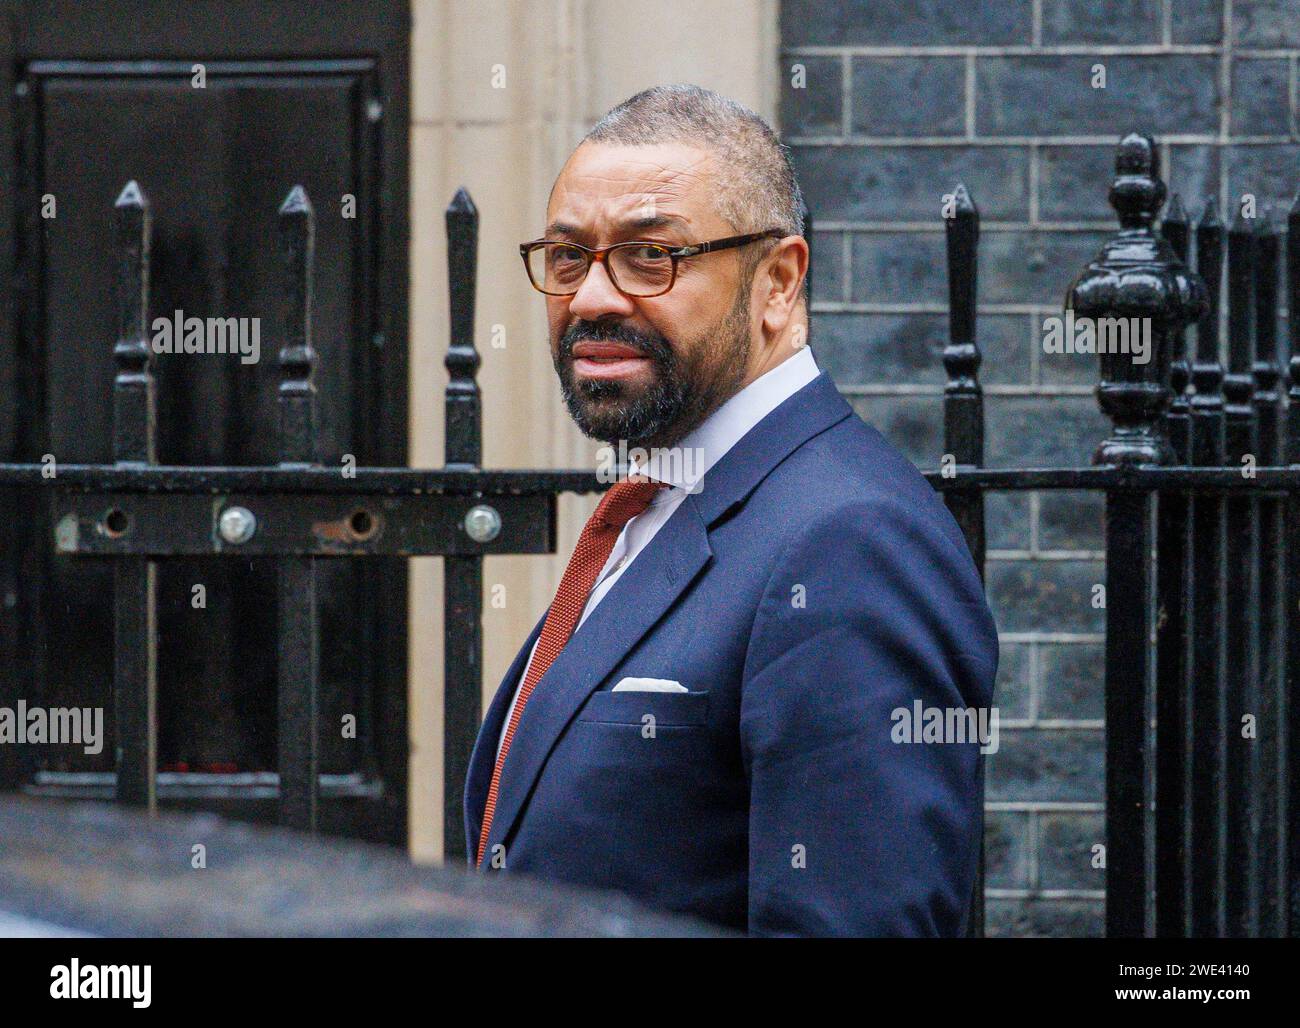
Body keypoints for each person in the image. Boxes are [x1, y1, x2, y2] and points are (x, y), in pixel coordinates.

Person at [462, 84, 998, 936]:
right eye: (568, 257)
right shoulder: (656, 505)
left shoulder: (851, 542)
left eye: (651, 257)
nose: (592, 297)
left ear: (778, 282)